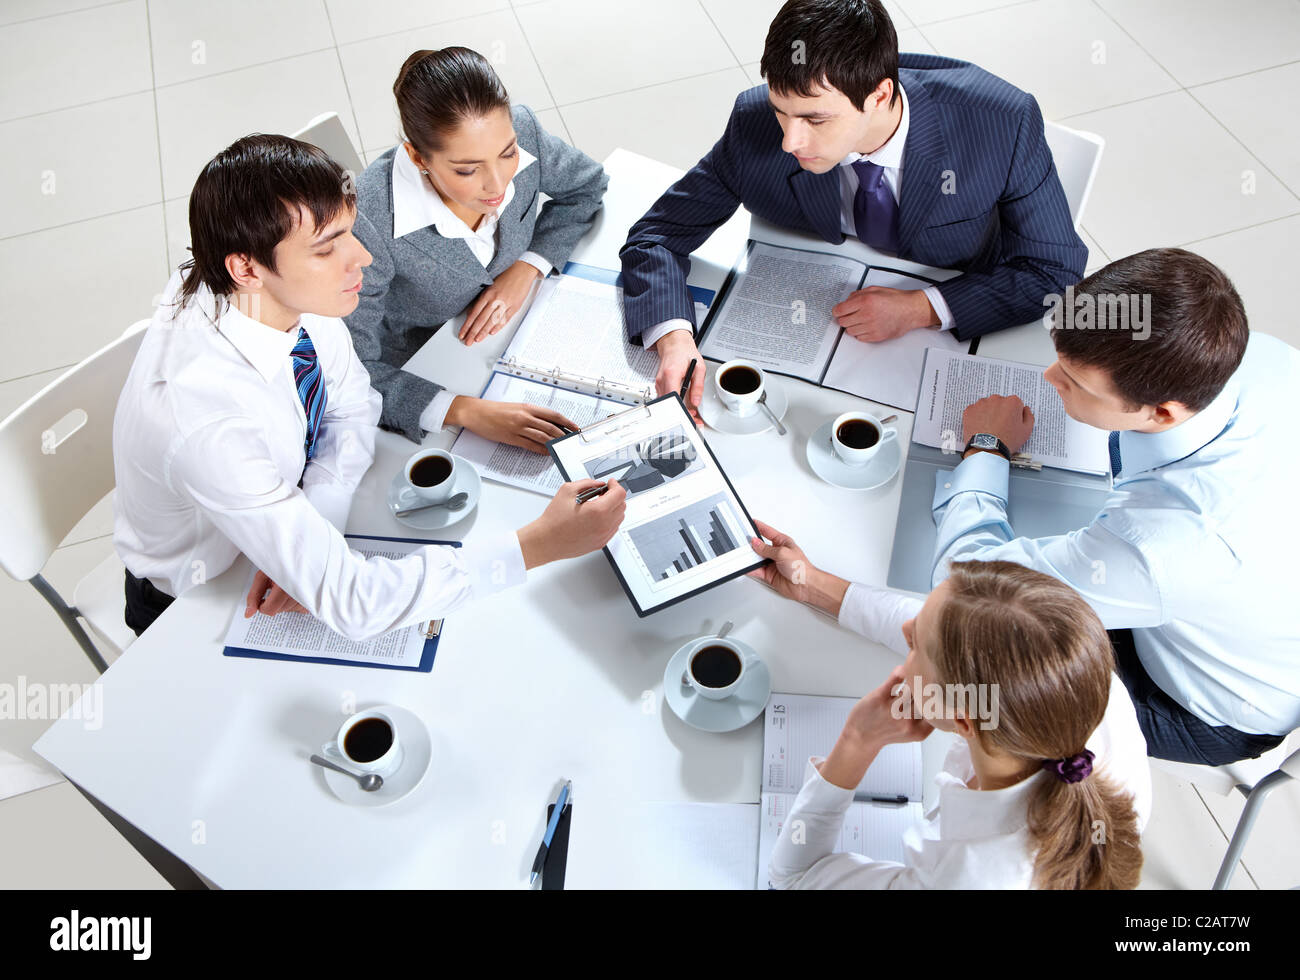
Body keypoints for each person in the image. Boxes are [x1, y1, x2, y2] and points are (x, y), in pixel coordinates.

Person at [113, 134, 626, 639]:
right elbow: (354, 604)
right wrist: (540, 544)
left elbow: (354, 402)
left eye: (348, 232)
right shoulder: (207, 420)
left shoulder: (274, 297)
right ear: (245, 268)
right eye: (326, 248)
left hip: (279, 519)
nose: (361, 258)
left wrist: (315, 523)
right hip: (206, 594)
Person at [620, 0, 1085, 419]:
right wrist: (675, 336)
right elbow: (656, 235)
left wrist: (923, 308)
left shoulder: (1002, 123)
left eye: (815, 119)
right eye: (782, 111)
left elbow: (1054, 271)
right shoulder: (754, 122)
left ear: (880, 95)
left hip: (949, 332)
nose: (789, 141)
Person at [931, 248, 1300, 766]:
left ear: (1162, 413)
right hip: (1252, 612)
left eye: (1074, 381)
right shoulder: (1262, 356)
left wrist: (987, 448)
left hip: (1200, 707)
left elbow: (967, 586)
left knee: (987, 663)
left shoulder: (1164, 544)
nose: (1047, 379)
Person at [749, 522, 1150, 889]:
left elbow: (792, 876)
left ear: (962, 718)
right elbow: (965, 634)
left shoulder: (965, 878)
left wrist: (857, 740)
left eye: (913, 645)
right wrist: (809, 582)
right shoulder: (1075, 675)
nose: (905, 627)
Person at [347, 47, 609, 449]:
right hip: (423, 367)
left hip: (516, 335)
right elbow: (350, 369)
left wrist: (528, 266)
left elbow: (586, 187)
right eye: (467, 170)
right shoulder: (365, 220)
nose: (498, 184)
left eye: (507, 154)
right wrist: (465, 411)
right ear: (418, 157)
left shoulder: (523, 130)